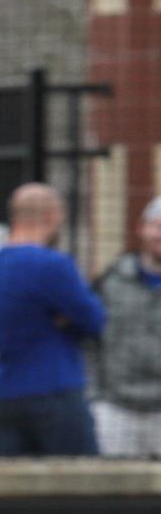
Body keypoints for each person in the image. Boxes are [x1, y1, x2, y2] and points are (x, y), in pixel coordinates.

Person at [0, 182, 105, 456]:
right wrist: (64, 320)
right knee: (78, 483)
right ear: (52, 215)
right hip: (54, 390)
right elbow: (94, 319)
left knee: (20, 490)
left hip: (6, 395)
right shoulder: (52, 264)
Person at [91, 196, 161, 457]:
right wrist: (94, 397)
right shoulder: (111, 281)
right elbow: (89, 340)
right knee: (115, 493)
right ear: (141, 228)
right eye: (157, 226)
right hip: (117, 409)